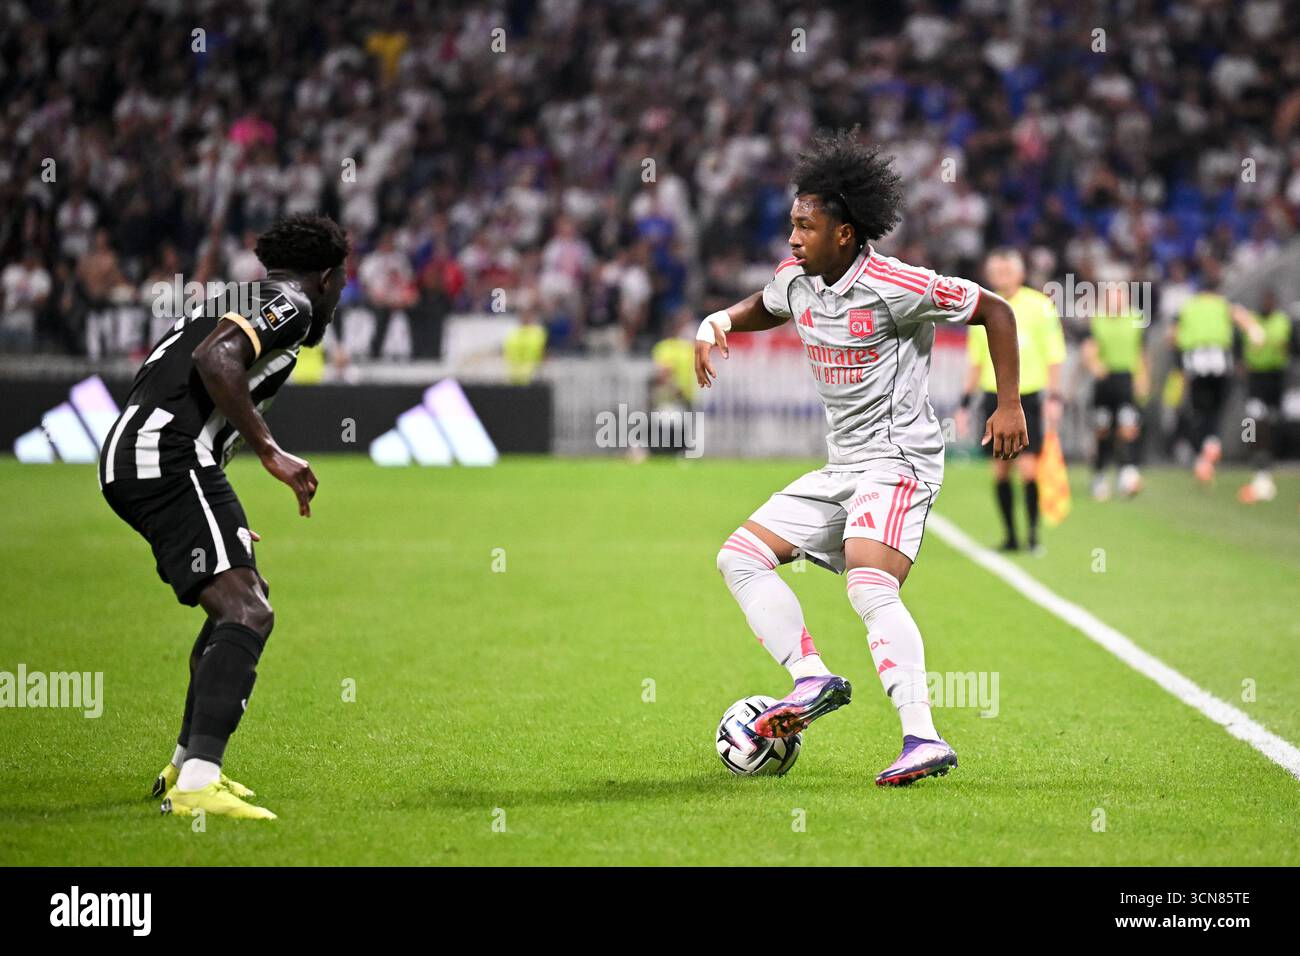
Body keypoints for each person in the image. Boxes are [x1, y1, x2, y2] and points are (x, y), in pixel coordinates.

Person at [695, 129, 1026, 786]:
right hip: (842, 467)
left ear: (842, 233)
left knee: (869, 582)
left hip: (900, 462)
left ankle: (923, 737)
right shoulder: (799, 280)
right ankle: (810, 678)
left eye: (804, 226)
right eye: (791, 224)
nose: (792, 238)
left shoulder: (898, 284)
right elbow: (767, 305)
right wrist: (721, 322)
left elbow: (996, 311)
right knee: (739, 556)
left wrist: (1009, 403)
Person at [98, 214, 349, 819]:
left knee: (240, 594)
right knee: (248, 611)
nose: (340, 294)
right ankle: (198, 786)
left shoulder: (235, 296)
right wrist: (271, 451)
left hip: (148, 451)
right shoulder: (291, 303)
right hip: (167, 455)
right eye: (341, 282)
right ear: (327, 277)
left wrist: (213, 506)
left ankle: (185, 765)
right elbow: (216, 358)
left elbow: (176, 371)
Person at [959, 248, 1065, 553]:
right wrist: (965, 403)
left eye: (1008, 271)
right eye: (997, 272)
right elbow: (976, 360)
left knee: (1030, 469)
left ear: (1020, 273)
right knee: (1001, 470)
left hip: (1028, 397)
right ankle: (1010, 536)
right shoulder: (984, 307)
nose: (1002, 277)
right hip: (993, 397)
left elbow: (1054, 354)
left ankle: (1033, 535)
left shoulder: (1040, 306)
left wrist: (1054, 396)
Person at [1082, 281, 1148, 499]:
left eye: (1119, 295)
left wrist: (1142, 377)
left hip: (1126, 380)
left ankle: (1127, 473)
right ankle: (1100, 475)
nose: (1116, 300)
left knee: (1127, 429)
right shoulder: (1097, 320)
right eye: (1111, 296)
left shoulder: (1135, 319)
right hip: (1105, 382)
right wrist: (1094, 364)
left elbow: (1141, 351)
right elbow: (1088, 348)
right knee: (1102, 431)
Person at [1234, 289, 1295, 503]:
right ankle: (1251, 450)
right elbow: (1239, 342)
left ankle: (1268, 455)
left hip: (1276, 376)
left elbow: (1291, 345)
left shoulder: (1283, 321)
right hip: (1256, 377)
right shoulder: (1252, 321)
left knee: (1272, 419)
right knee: (1252, 418)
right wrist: (1240, 361)